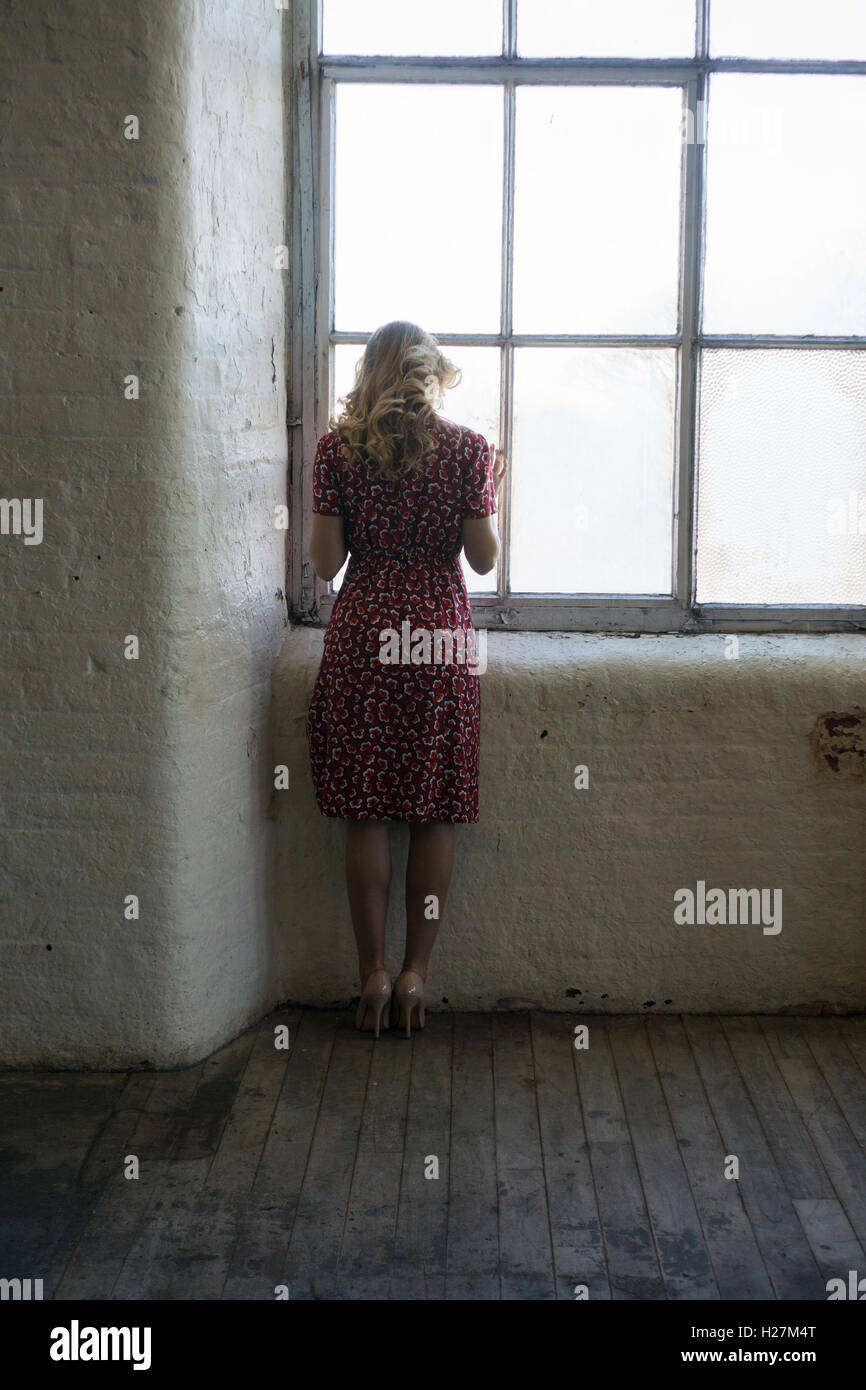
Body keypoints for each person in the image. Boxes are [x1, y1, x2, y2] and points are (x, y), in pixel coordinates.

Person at [306, 320, 506, 1038]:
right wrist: (486, 496)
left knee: (366, 811)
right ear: (431, 372)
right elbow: (482, 562)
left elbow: (325, 565)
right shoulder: (468, 451)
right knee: (435, 809)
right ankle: (417, 975)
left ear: (370, 372)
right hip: (436, 638)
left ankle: (373, 975)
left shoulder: (338, 452)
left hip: (363, 636)